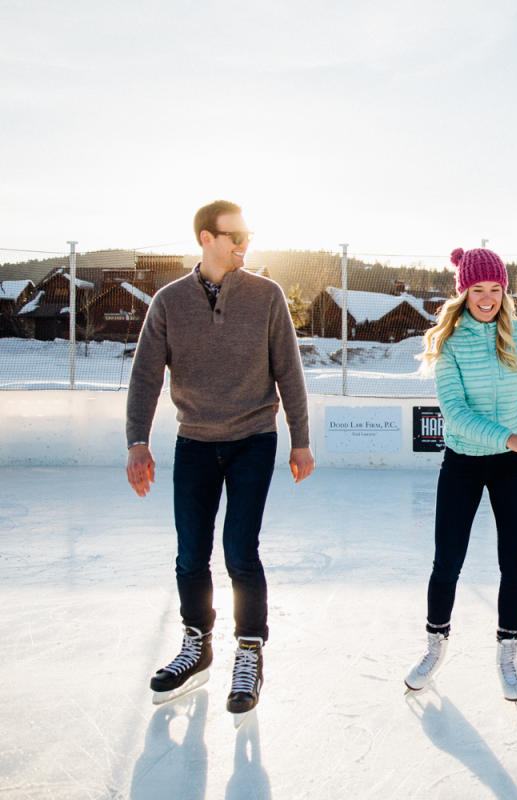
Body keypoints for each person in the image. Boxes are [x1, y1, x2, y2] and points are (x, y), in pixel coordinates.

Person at [126, 200, 314, 716]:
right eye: (236, 236)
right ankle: (197, 645)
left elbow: (289, 372)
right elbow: (146, 376)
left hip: (254, 437)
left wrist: (300, 439)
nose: (244, 244)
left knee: (239, 549)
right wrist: (137, 442)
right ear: (206, 238)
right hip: (195, 441)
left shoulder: (266, 295)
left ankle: (249, 652)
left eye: (249, 235)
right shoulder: (168, 302)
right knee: (191, 551)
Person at [404, 247, 517, 702]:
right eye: (477, 289)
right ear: (463, 292)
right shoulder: (448, 342)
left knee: (515, 562)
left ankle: (508, 652)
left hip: (511, 466)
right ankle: (434, 646)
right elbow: (455, 414)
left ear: (505, 292)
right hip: (464, 461)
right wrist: (509, 437)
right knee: (447, 562)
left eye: (495, 289)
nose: (487, 298)